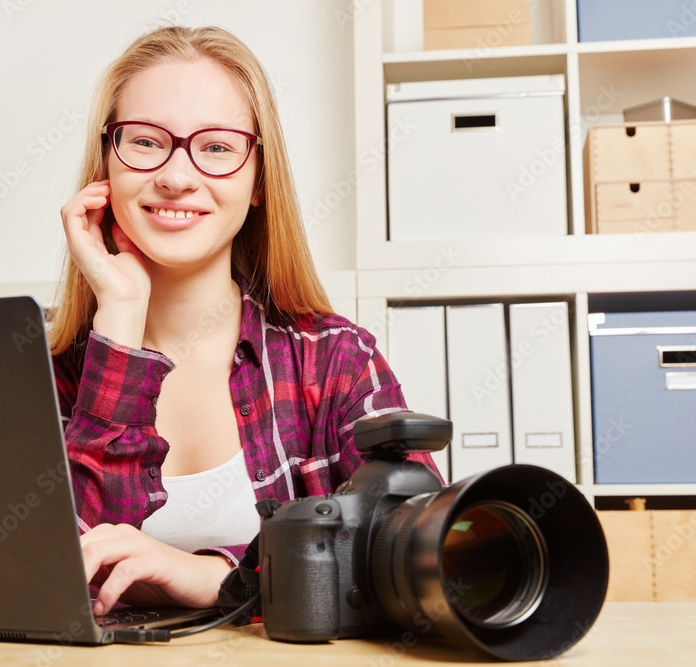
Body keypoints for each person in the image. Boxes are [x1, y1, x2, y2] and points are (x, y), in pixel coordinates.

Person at [48, 24, 440, 618]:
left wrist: (221, 578)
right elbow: (47, 576)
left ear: (259, 179)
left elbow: (415, 552)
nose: (177, 176)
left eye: (217, 147)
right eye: (147, 142)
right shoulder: (40, 374)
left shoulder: (335, 359)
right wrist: (120, 323)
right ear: (107, 164)